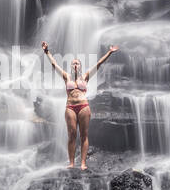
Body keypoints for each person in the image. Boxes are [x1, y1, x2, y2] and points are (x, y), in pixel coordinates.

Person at [41, 41, 119, 170]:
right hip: (70, 107)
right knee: (71, 134)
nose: (75, 64)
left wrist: (109, 53)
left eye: (77, 63)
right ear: (71, 66)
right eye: (73, 63)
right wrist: (47, 51)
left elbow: (99, 63)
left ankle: (83, 163)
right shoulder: (66, 77)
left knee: (84, 135)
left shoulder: (85, 76)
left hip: (83, 106)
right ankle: (71, 163)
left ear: (80, 66)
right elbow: (54, 64)